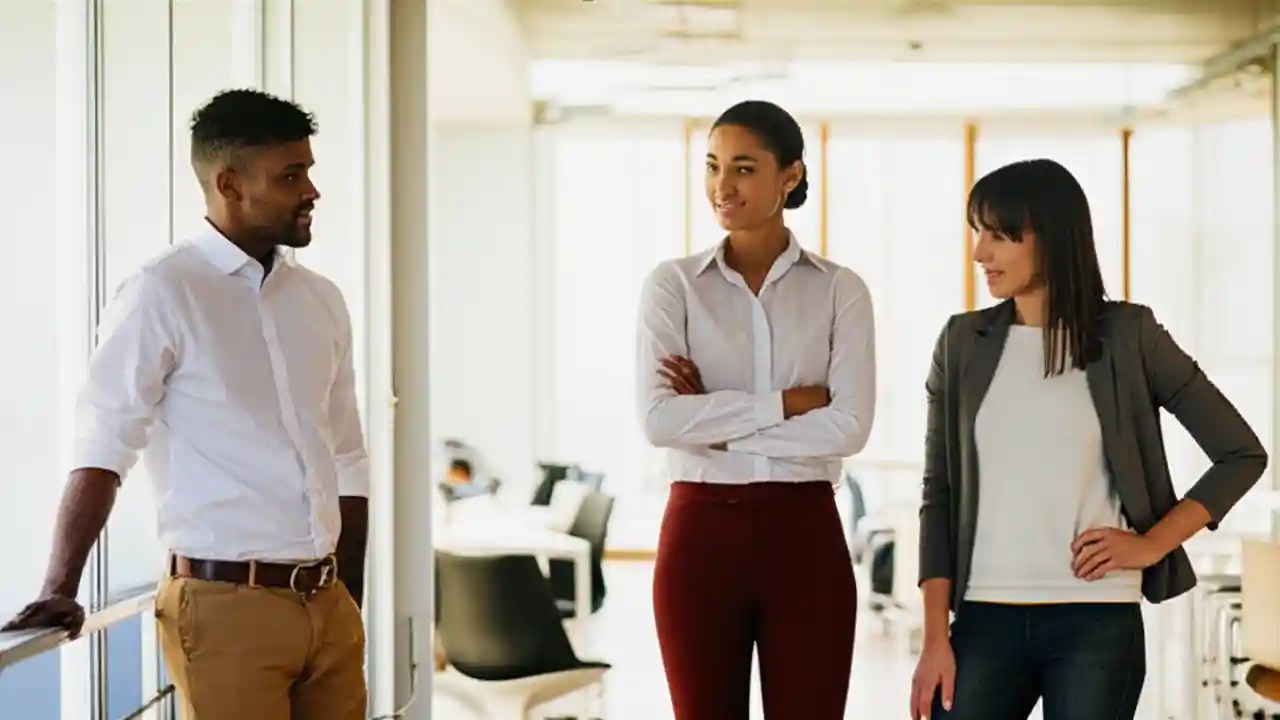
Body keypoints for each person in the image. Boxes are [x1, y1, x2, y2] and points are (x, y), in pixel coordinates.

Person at [1, 89, 370, 720]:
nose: (311, 191)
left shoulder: (320, 300)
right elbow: (104, 443)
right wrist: (60, 587)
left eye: (307, 171)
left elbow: (348, 456)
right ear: (228, 183)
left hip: (329, 605)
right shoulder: (161, 293)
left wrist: (349, 598)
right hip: (226, 607)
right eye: (290, 176)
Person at [909, 158, 1268, 720]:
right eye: (977, 232)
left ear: (1052, 237)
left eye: (999, 235)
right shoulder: (961, 343)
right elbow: (940, 492)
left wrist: (1153, 543)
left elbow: (1241, 454)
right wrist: (934, 637)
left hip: (1096, 620)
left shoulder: (1130, 336)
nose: (980, 253)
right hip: (984, 617)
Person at [638, 99, 876, 719]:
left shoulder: (839, 289)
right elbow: (660, 421)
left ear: (790, 176)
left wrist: (714, 425)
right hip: (698, 536)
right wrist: (789, 405)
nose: (723, 186)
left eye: (744, 168)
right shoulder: (674, 285)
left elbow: (849, 427)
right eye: (713, 166)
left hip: (805, 536)